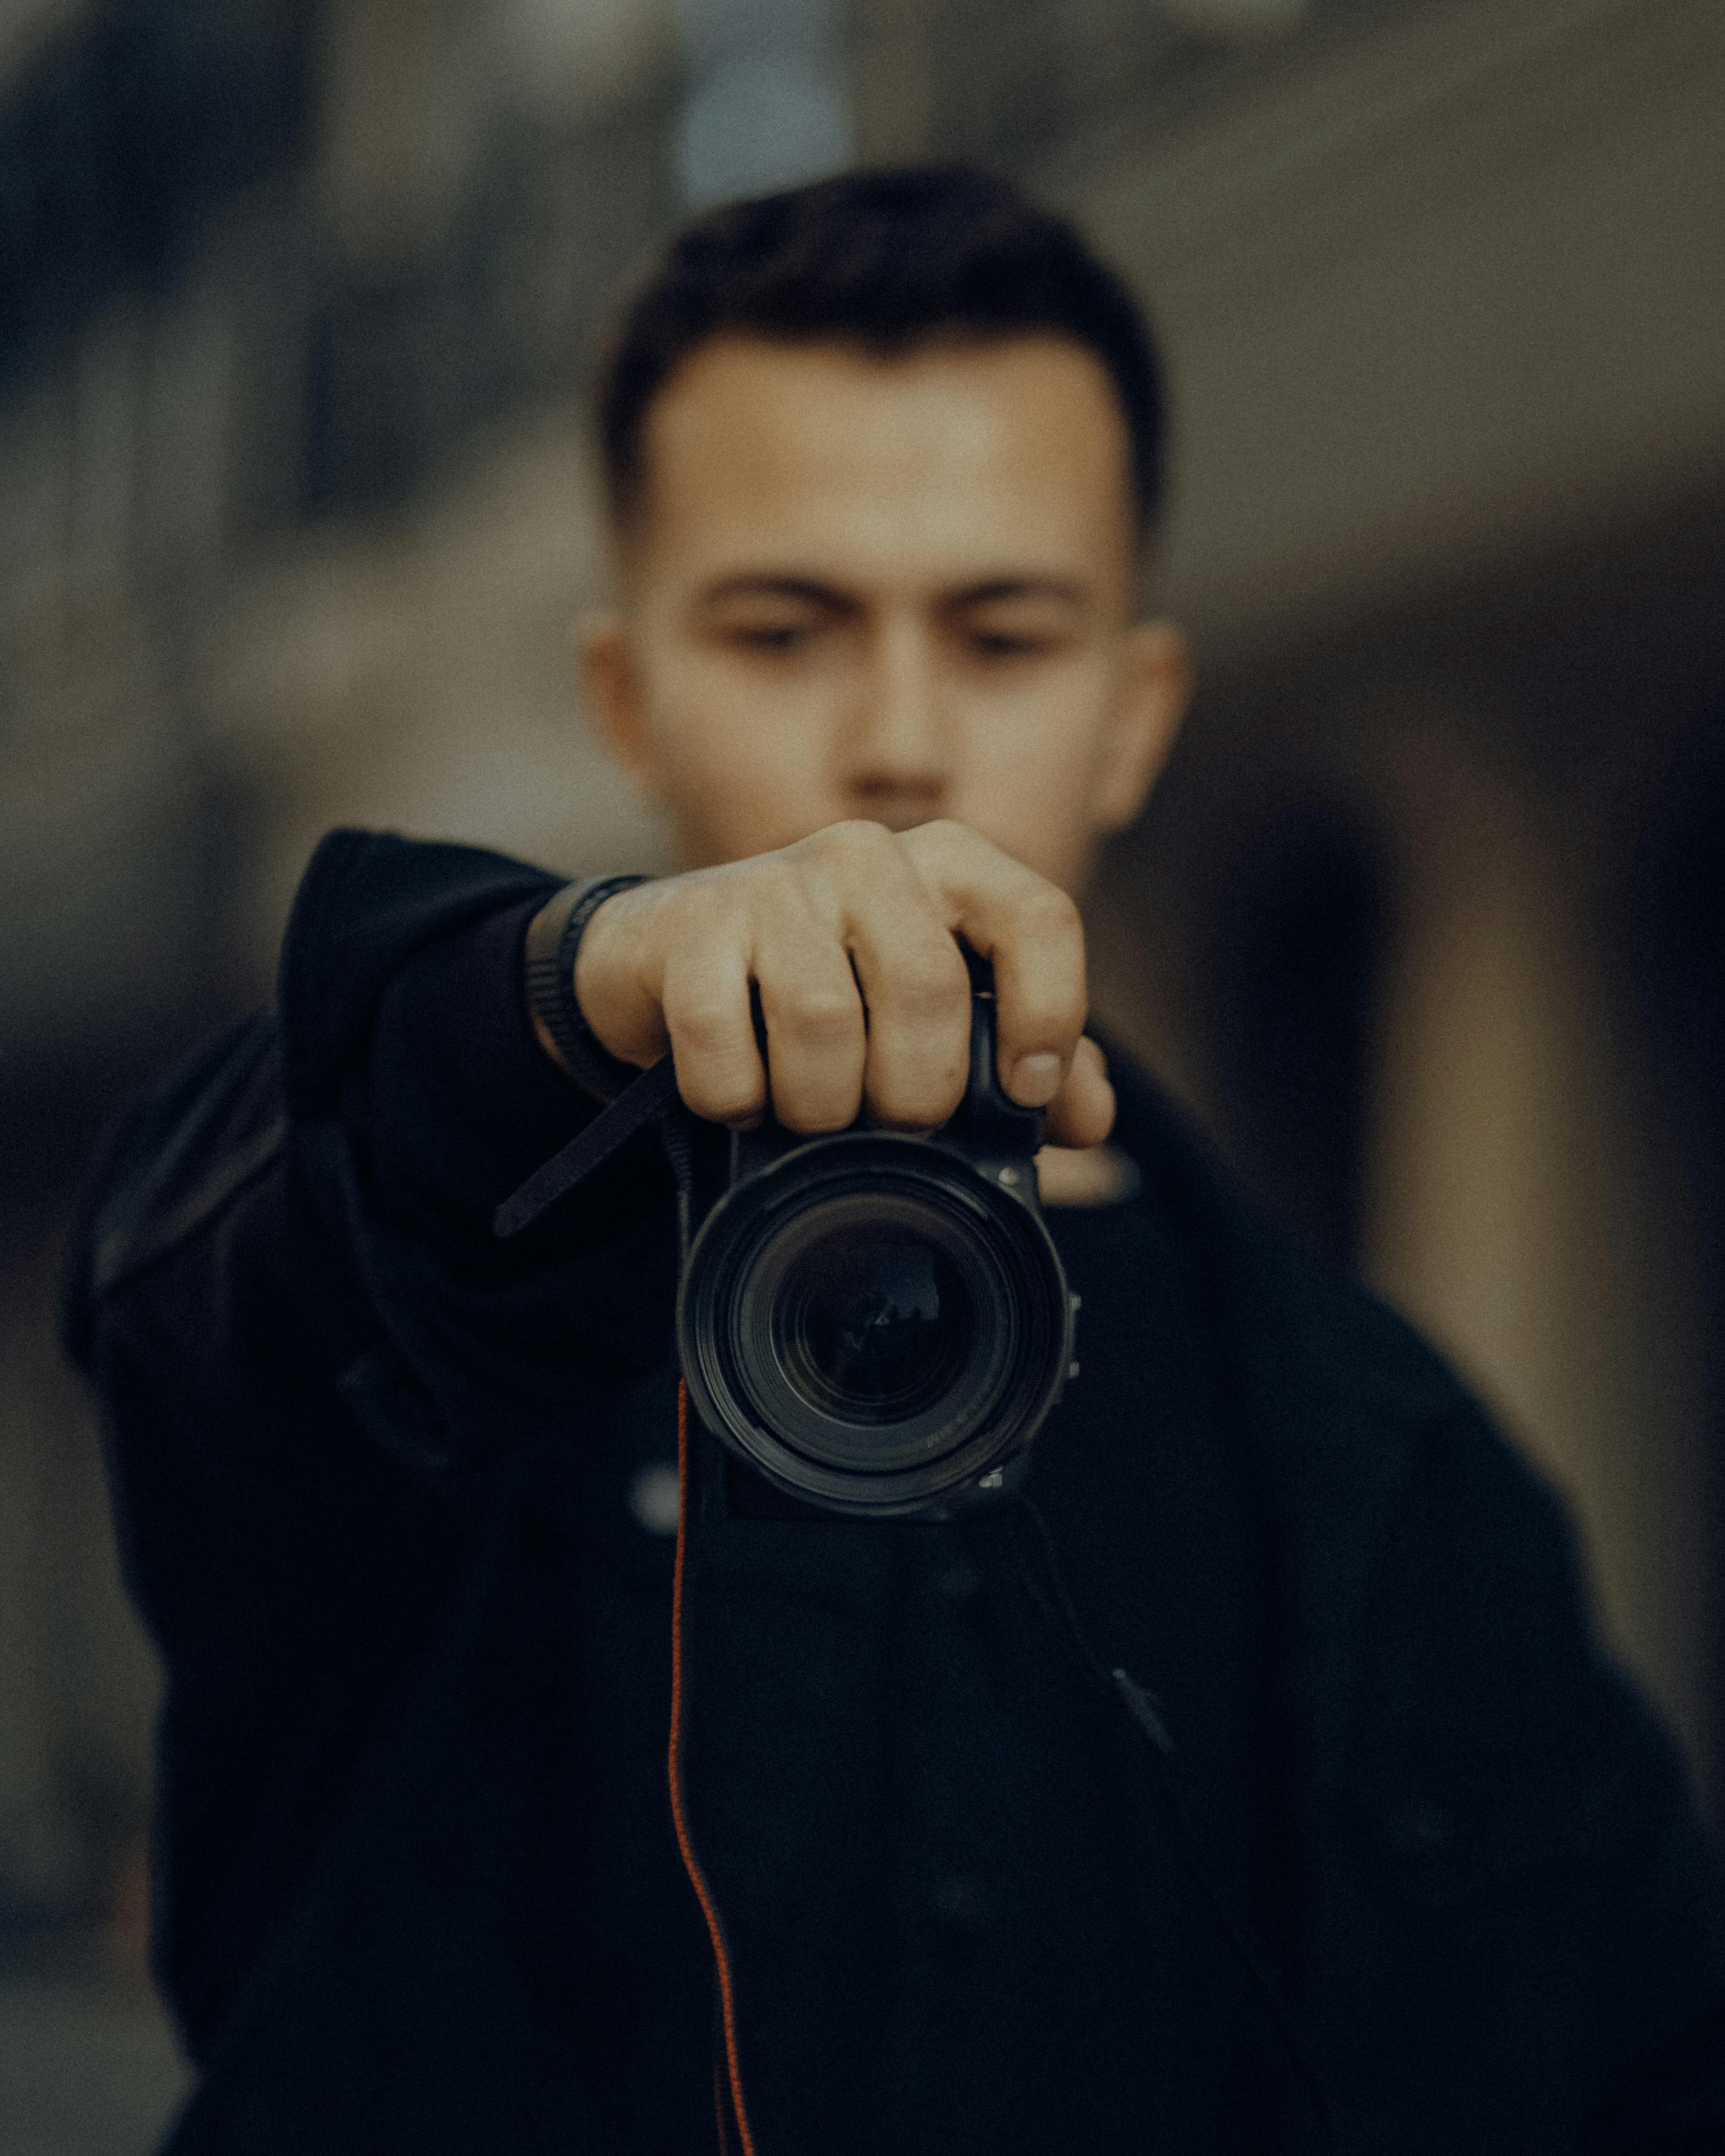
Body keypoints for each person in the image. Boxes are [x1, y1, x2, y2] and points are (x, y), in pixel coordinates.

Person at [65, 166, 1725, 2154]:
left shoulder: (1396, 1469)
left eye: (1002, 635)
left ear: (1134, 716)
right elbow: (228, 1237)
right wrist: (562, 991)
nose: (900, 738)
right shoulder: (426, 1272)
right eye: (785, 631)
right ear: (627, 702)